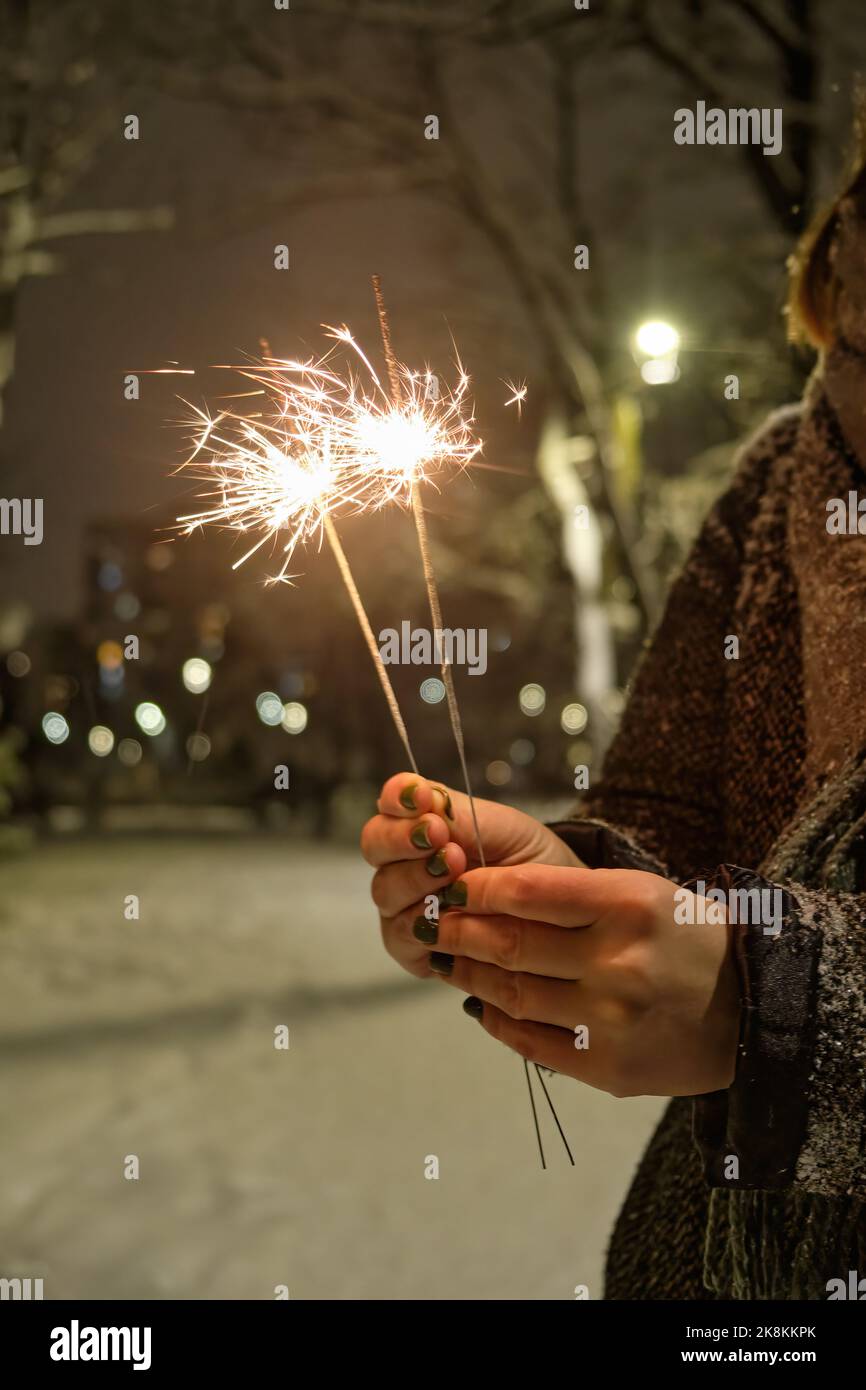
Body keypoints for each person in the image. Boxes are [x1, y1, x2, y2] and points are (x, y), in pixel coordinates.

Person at [359, 119, 866, 1300]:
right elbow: (664, 813)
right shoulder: (777, 484)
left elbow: (757, 976)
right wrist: (571, 889)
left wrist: (786, 1003)